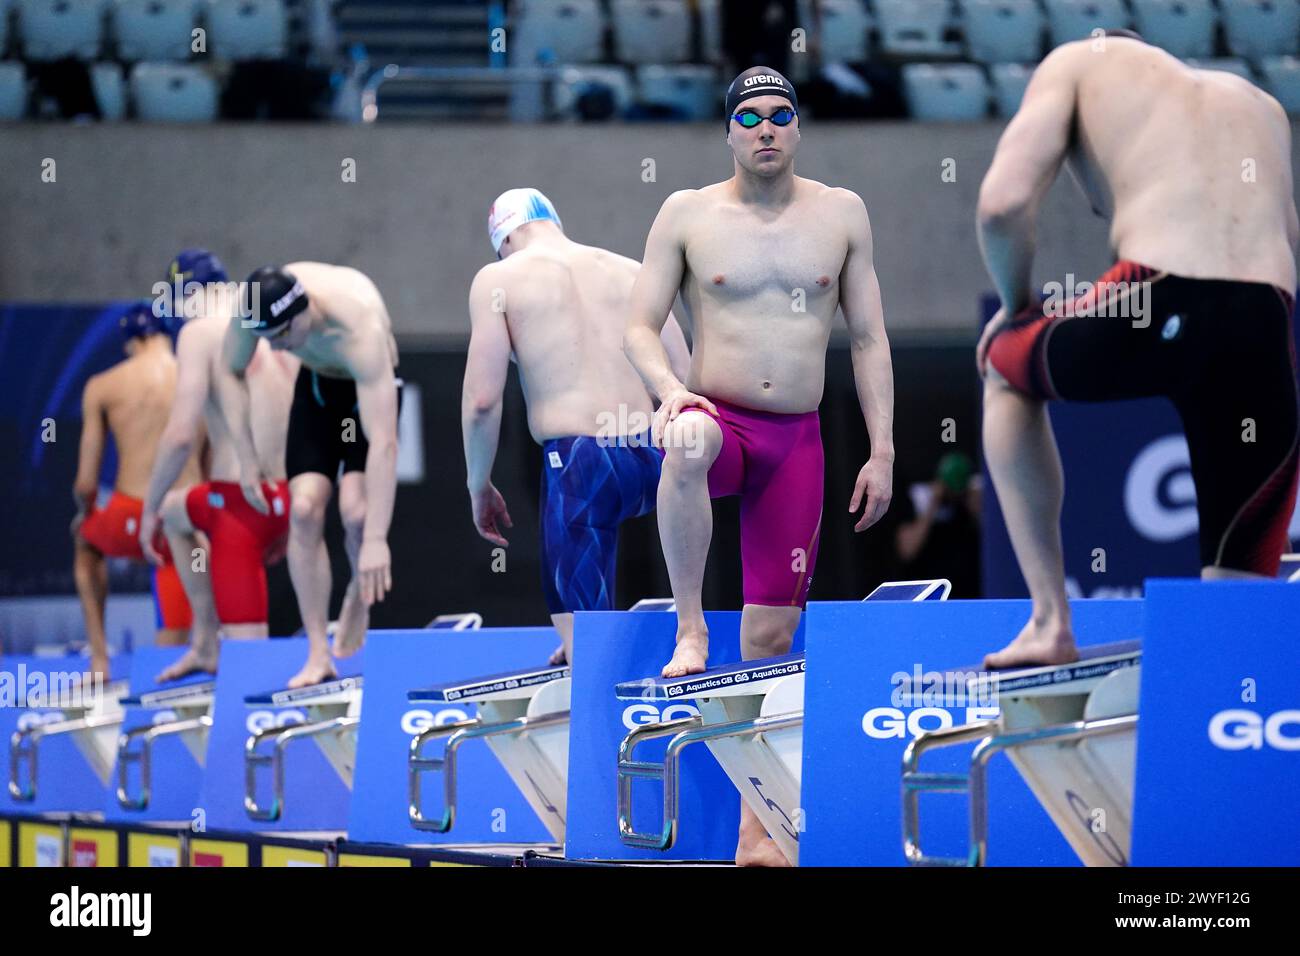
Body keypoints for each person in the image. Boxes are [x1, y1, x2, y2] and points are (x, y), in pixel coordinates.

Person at [624, 67, 896, 866]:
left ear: (799, 127)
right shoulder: (686, 213)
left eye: (782, 115)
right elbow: (639, 325)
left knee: (773, 638)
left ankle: (758, 831)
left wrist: (881, 450)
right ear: (730, 130)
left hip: (796, 441)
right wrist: (672, 392)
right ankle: (688, 621)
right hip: (718, 419)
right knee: (686, 441)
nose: (767, 129)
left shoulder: (842, 213)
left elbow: (871, 339)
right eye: (751, 116)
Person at [976, 32, 1299, 669]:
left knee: (1004, 368)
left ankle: (1048, 621)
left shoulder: (1075, 61)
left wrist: (1015, 308)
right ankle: (1227, 709)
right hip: (1266, 322)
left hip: (1155, 291)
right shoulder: (1262, 104)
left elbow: (1001, 205)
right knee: (1236, 613)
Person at [463, 188, 690, 666]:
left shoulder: (498, 278)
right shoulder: (631, 270)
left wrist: (478, 483)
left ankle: (585, 659)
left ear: (502, 240)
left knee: (585, 641)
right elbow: (684, 379)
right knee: (683, 596)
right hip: (656, 455)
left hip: (581, 466)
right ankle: (692, 639)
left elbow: (483, 401)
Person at [222, 262, 401, 688]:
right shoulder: (252, 310)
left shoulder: (359, 326)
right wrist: (245, 456)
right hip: (318, 387)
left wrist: (376, 540)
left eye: (283, 335)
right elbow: (229, 370)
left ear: (304, 311)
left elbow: (385, 444)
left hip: (366, 390)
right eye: (268, 340)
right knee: (302, 510)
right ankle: (319, 651)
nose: (278, 349)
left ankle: (358, 589)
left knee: (357, 514)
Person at [138, 250, 299, 683]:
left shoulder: (198, 332)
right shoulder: (277, 318)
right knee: (179, 511)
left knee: (250, 665)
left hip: (239, 507)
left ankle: (211, 647)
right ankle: (206, 641)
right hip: (292, 497)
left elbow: (180, 436)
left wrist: (147, 509)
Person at [72, 302, 200, 678]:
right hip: (181, 513)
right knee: (183, 559)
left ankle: (99, 659)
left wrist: (86, 512)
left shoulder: (103, 385)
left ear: (131, 343)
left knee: (85, 543)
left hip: (129, 513)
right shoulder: (196, 378)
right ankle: (170, 660)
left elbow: (86, 482)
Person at [894, 452, 982, 597]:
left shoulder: (969, 506)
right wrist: (933, 503)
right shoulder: (915, 503)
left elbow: (995, 547)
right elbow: (906, 551)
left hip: (969, 592)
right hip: (929, 593)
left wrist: (974, 505)